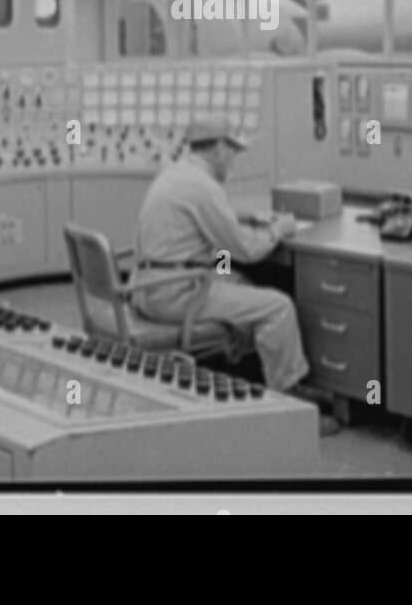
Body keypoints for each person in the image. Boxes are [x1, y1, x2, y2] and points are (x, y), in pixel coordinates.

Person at [132, 116, 339, 433]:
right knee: (278, 307)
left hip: (147, 286)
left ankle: (251, 371)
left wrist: (244, 217)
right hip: (178, 294)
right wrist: (279, 229)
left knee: (241, 282)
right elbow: (245, 250)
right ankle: (287, 406)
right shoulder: (203, 187)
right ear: (216, 148)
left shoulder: (176, 174)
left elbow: (212, 226)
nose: (234, 161)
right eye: (232, 152)